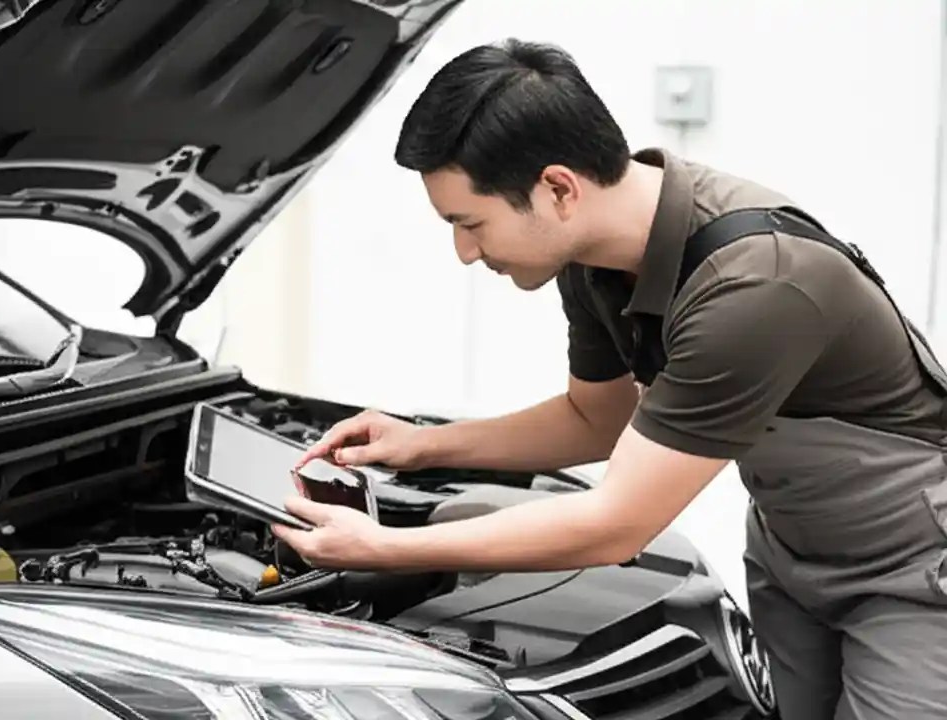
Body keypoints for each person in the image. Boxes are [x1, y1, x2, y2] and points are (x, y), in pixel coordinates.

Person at [269, 38, 947, 719]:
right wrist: (421, 443)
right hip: (791, 548)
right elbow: (597, 418)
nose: (465, 253)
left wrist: (385, 549)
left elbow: (614, 525)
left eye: (470, 224)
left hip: (911, 571)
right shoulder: (595, 256)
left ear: (559, 187)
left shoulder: (754, 287)